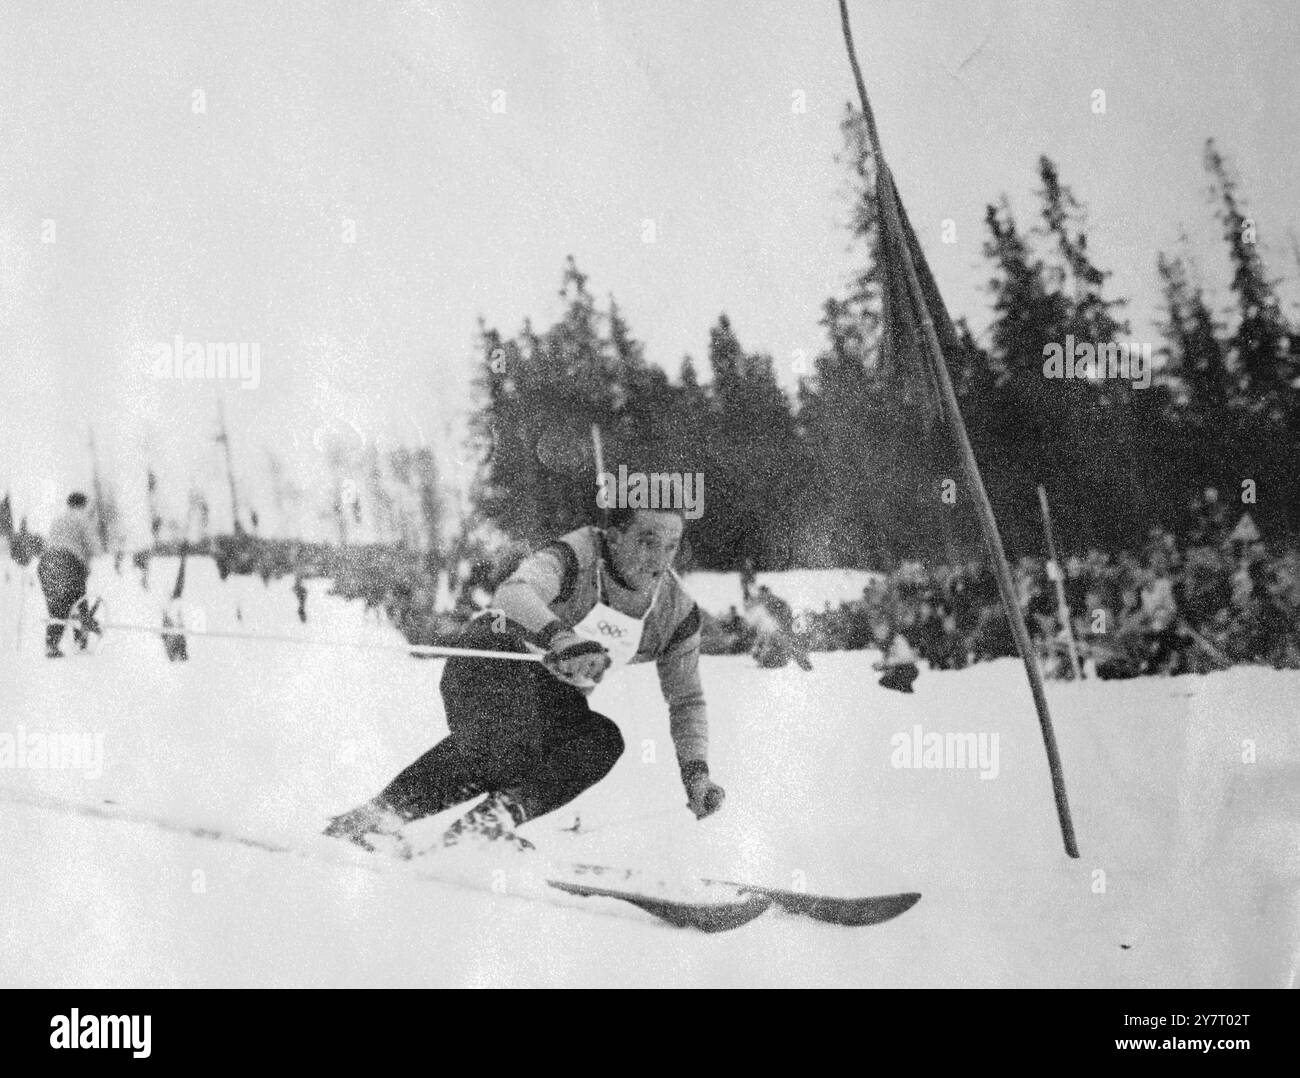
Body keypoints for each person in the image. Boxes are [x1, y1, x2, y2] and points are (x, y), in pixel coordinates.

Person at [325, 505, 725, 855]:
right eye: (647, 542)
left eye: (671, 546)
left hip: (547, 692)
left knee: (600, 741)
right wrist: (561, 638)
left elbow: (687, 700)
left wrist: (696, 774)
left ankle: (480, 827)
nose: (659, 560)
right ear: (615, 538)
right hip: (490, 659)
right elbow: (512, 595)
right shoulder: (579, 553)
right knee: (515, 738)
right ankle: (383, 816)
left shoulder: (676, 610)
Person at [38, 492, 98, 658]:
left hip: (47, 563)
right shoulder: (82, 519)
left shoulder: (58, 519)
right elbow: (94, 547)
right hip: (68, 562)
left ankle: (52, 644)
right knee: (80, 602)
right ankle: (81, 644)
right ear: (83, 505)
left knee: (57, 607)